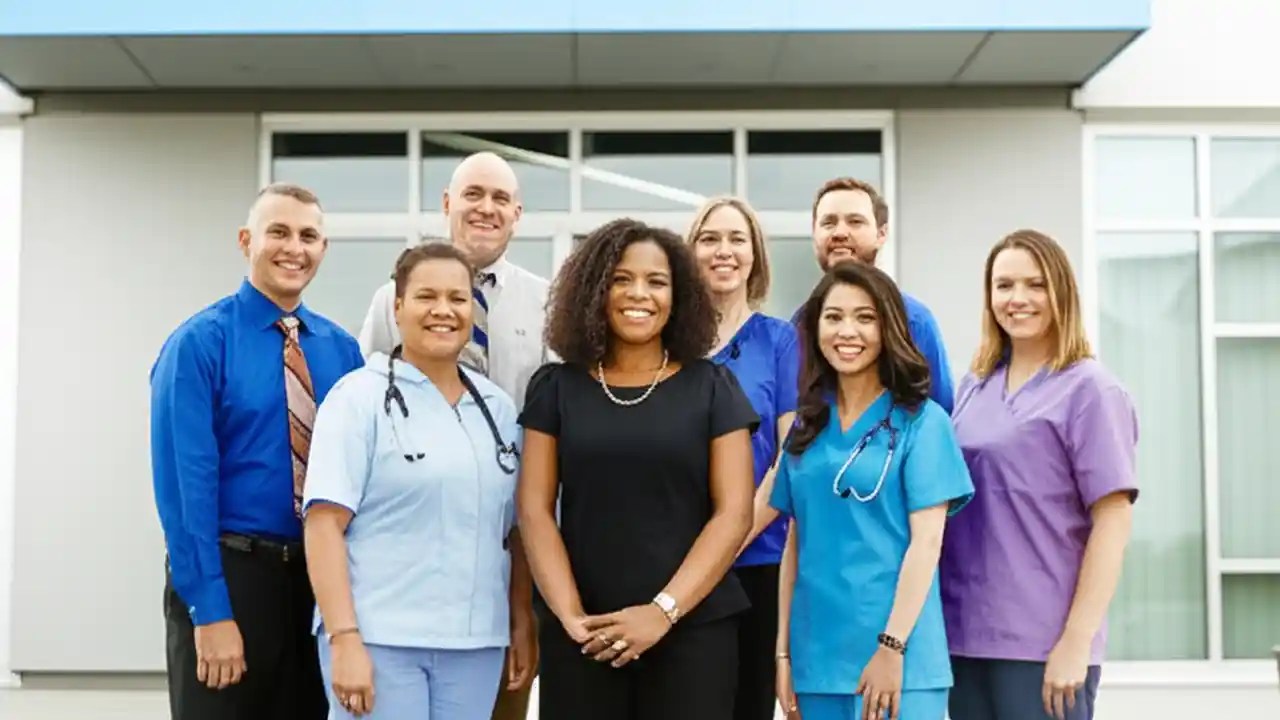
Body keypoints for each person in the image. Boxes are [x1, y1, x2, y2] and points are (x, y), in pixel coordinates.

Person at [517, 218, 759, 719]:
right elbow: (535, 510)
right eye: (621, 279)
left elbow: (733, 514)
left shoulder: (713, 387)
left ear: (680, 295)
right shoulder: (556, 388)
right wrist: (569, 615)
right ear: (594, 290)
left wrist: (661, 612)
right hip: (584, 635)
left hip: (692, 631)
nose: (639, 294)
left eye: (657, 281)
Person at [150, 183, 364, 720]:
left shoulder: (342, 352)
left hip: (318, 587)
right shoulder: (199, 345)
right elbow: (184, 487)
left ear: (324, 249)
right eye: (279, 232)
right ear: (247, 240)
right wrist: (210, 610)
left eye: (309, 236)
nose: (295, 247)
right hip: (233, 578)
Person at [301, 243, 530, 719]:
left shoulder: (498, 410)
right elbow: (323, 525)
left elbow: (515, 532)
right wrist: (344, 638)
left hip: (475, 644)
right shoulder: (356, 398)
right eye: (426, 296)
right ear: (397, 306)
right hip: (379, 638)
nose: (443, 310)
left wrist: (520, 621)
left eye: (458, 298)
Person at [356, 151, 543, 719]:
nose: (485, 208)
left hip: (508, 542)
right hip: (412, 549)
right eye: (472, 194)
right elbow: (369, 404)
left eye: (499, 199)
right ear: (446, 204)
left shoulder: (547, 301)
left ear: (517, 214)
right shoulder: (391, 301)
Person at [940, 230, 1139, 720]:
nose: (1018, 299)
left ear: (1062, 293)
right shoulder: (974, 386)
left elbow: (1113, 522)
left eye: (1035, 284)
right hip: (962, 639)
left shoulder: (1090, 390)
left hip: (1044, 647)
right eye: (1004, 285)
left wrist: (1077, 639)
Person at [771, 261, 974, 720]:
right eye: (834, 316)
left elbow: (928, 542)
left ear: (889, 329)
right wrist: (782, 654)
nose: (848, 331)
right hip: (816, 662)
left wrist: (892, 647)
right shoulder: (807, 426)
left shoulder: (923, 423)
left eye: (865, 317)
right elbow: (795, 543)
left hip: (901, 663)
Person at [685, 196, 799, 720]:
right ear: (690, 251)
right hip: (674, 563)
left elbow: (790, 454)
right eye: (710, 238)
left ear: (755, 255)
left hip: (756, 560)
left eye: (737, 239)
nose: (723, 250)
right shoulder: (667, 343)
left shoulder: (780, 341)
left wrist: (731, 537)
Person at [802, 177, 955, 413]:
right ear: (814, 234)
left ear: (881, 234)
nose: (840, 232)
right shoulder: (800, 323)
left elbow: (940, 412)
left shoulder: (913, 321)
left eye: (855, 221)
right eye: (829, 223)